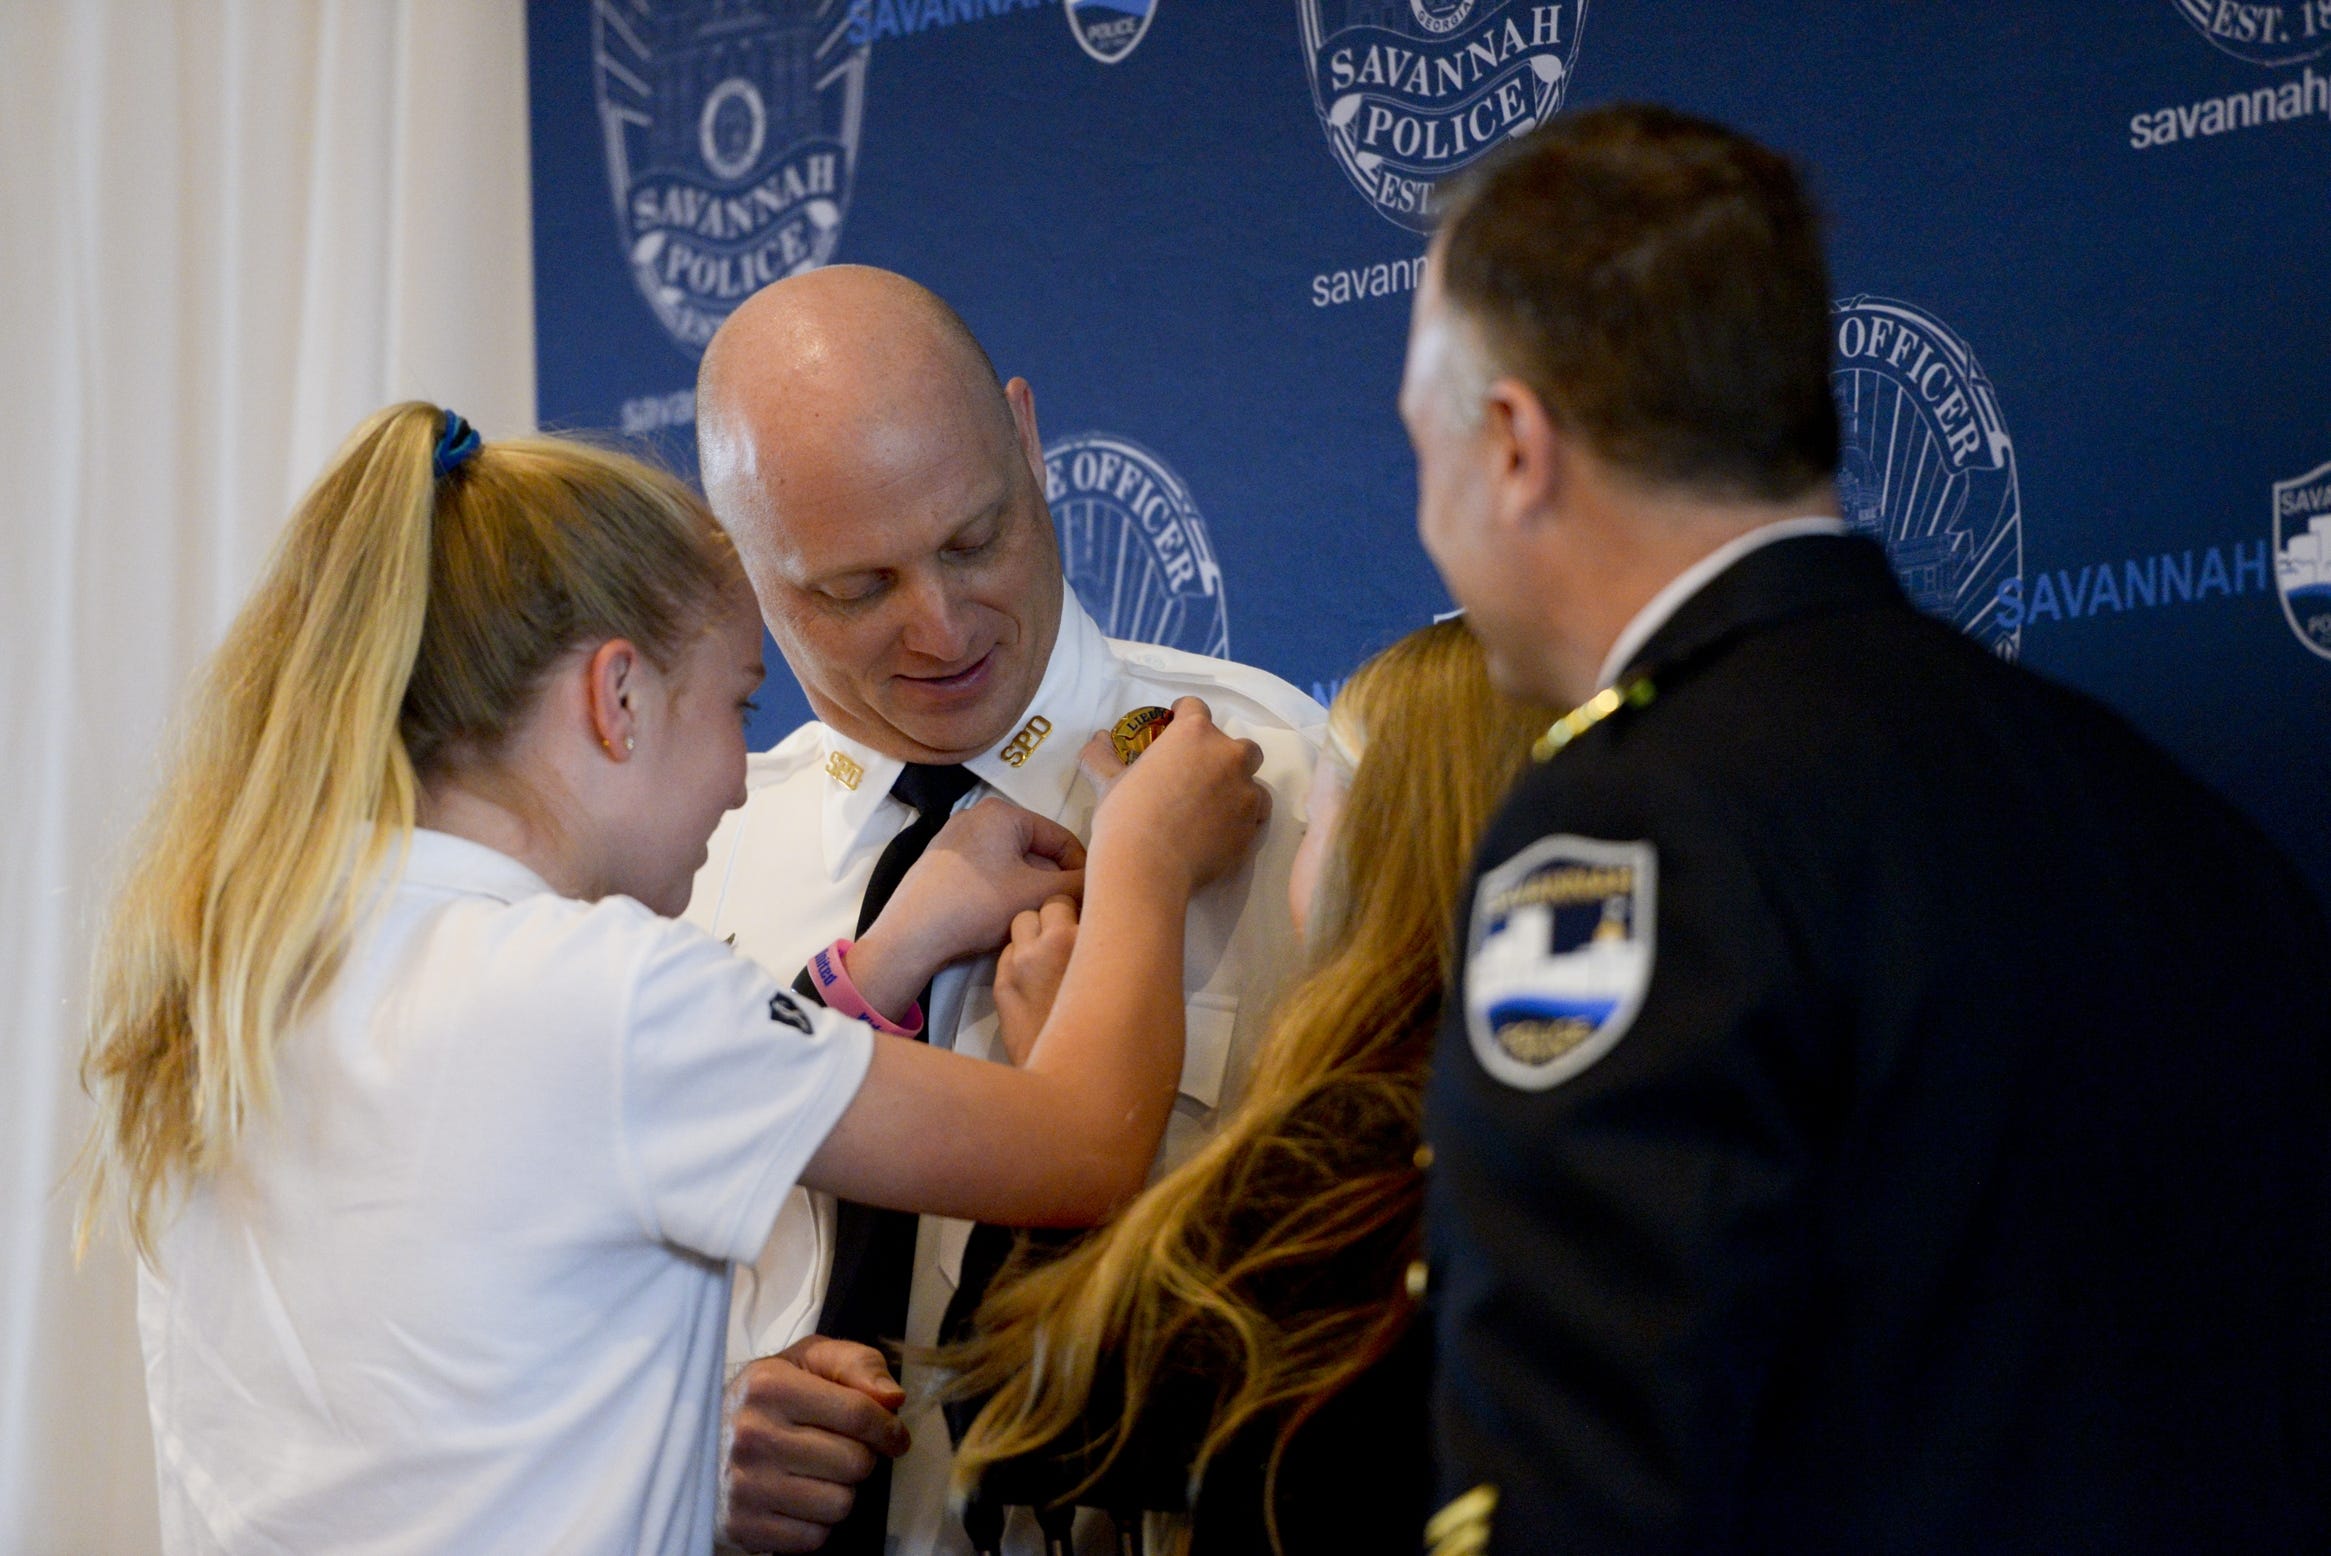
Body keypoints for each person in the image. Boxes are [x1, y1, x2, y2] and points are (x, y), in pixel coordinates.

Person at [75, 404, 1272, 1556]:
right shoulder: (594, 988)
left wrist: (891, 951)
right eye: (738, 707)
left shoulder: (251, 988)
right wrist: (1145, 862)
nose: (743, 779)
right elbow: (1080, 1140)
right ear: (618, 698)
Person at [1401, 103, 2331, 1555]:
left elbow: (1581, 1481)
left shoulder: (1623, 830)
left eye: (1420, 444)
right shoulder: (2169, 819)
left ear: (1514, 444)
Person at [689, 266, 1323, 1556]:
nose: (940, 625)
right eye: (855, 587)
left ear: (1030, 441)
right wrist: (694, 1441)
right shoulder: (693, 860)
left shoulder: (1294, 785)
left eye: (975, 538)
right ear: (738, 565)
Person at [935, 619, 1548, 1556]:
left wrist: (1059, 1068)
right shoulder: (1581, 1123)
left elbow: (1032, 1416)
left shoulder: (1362, 1150)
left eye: (1319, 817)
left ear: (1376, 849)